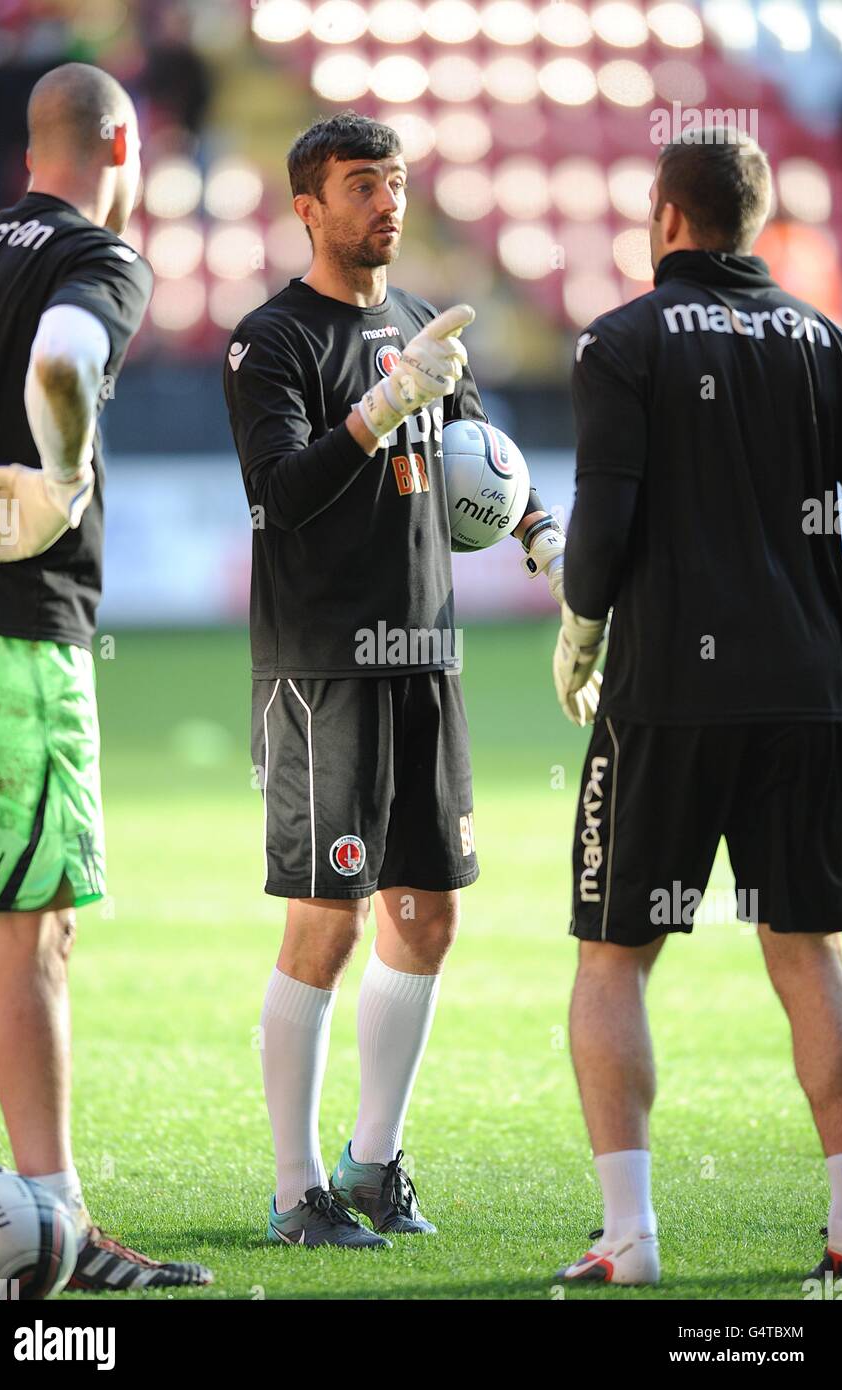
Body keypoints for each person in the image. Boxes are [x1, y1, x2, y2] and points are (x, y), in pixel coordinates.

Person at [223, 111, 573, 1247]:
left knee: (425, 917)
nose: (388, 201)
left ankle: (371, 1167)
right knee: (324, 922)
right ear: (308, 207)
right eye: (362, 183)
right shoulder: (268, 342)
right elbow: (280, 493)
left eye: (398, 180)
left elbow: (485, 462)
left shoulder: (427, 323)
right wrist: (381, 404)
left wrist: (544, 539)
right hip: (324, 667)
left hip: (428, 656)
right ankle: (293, 1191)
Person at [551, 127, 842, 1286]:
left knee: (613, 957)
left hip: (665, 699)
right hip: (800, 697)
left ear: (665, 220)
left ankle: (629, 1239)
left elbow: (605, 521)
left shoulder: (619, 342)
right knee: (806, 954)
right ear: (755, 221)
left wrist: (582, 629)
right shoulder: (828, 347)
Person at [0, 62, 212, 1291]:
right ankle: (58, 1226)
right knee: (33, 927)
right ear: (121, 140)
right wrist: (58, 485)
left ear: (29, 147)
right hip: (12, 634)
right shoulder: (97, 261)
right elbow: (62, 366)